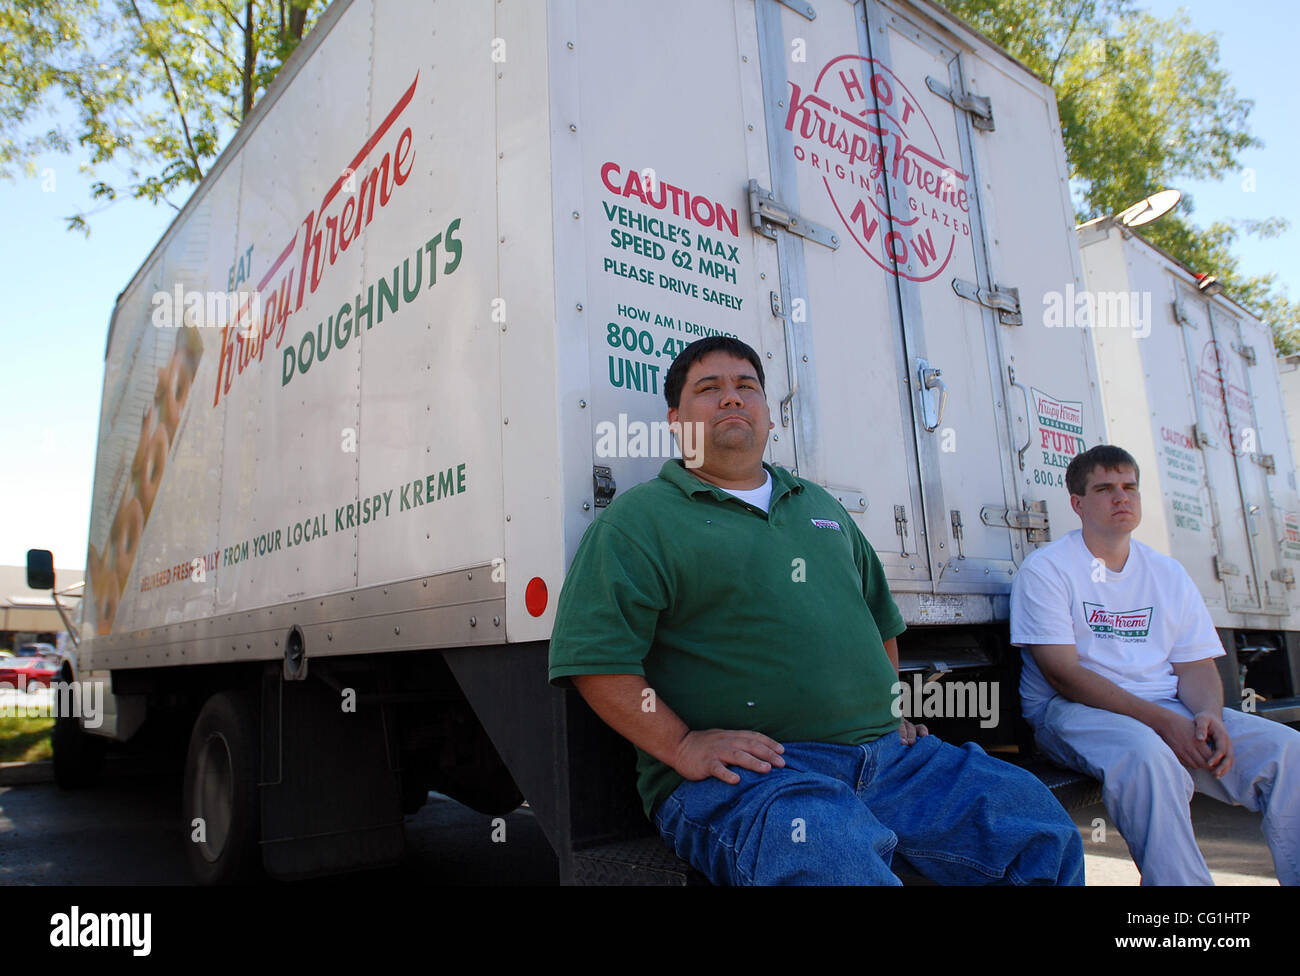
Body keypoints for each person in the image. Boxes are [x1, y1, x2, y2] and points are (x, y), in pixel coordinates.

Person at [548, 335, 1084, 885]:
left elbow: (878, 622)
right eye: (709, 389)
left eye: (746, 386)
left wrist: (888, 707)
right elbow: (597, 660)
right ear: (674, 419)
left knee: (1036, 822)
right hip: (760, 780)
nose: (732, 398)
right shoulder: (639, 521)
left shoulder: (822, 507)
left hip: (892, 763)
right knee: (836, 864)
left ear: (768, 415)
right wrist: (681, 744)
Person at [1010, 444, 1300, 885]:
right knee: (1149, 757)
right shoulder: (1047, 569)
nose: (1121, 497)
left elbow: (1196, 665)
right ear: (1078, 503)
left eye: (1130, 487)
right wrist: (1164, 723)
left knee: (1287, 752)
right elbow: (1062, 674)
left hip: (1167, 708)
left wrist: (1206, 715)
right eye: (1105, 488)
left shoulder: (1167, 572)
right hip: (1072, 713)